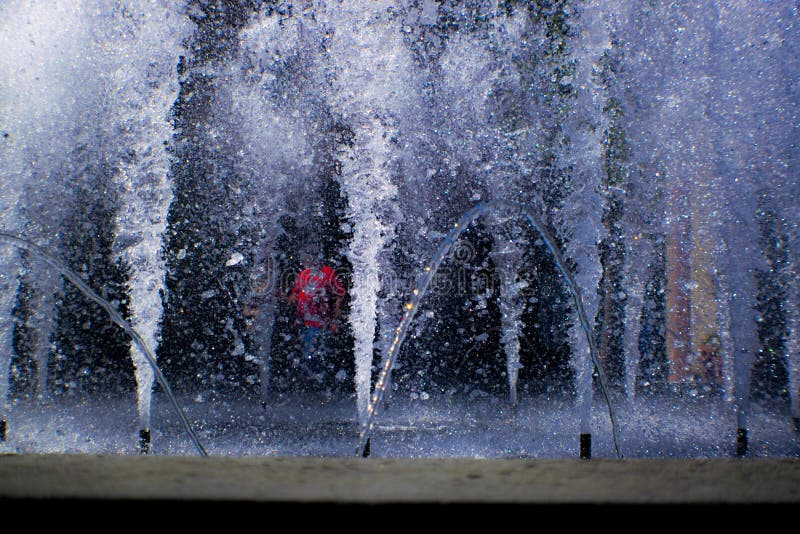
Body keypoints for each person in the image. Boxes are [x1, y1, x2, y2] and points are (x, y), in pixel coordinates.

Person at [287, 260, 345, 382]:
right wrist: (292, 300)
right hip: (304, 322)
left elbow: (339, 295)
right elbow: (294, 294)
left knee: (315, 353)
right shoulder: (303, 274)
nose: (309, 256)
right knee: (305, 353)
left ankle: (319, 381)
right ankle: (310, 380)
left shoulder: (327, 272)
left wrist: (335, 320)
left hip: (320, 322)